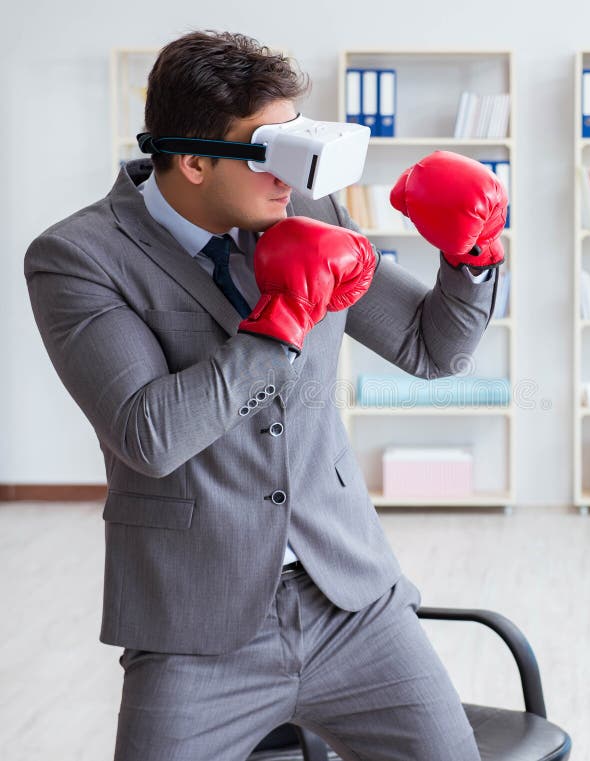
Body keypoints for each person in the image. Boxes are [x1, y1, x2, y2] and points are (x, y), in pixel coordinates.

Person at [24, 29, 506, 761]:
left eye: (297, 145)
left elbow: (430, 348)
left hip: (351, 602)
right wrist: (278, 325)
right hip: (194, 625)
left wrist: (470, 258)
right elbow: (149, 435)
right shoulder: (78, 258)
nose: (293, 175)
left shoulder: (310, 213)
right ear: (191, 160)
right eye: (268, 151)